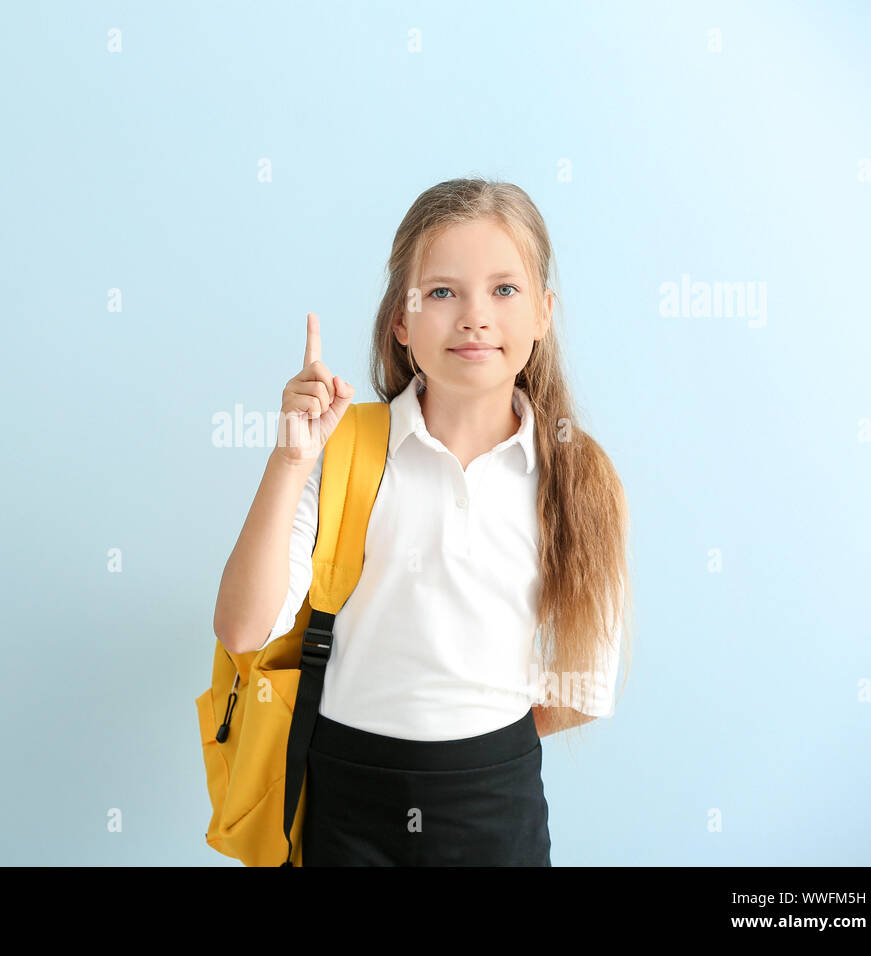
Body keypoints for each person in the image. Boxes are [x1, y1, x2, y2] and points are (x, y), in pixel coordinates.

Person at [212, 178, 634, 866]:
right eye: (442, 292)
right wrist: (290, 461)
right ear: (401, 323)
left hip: (496, 804)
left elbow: (583, 689)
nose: (475, 316)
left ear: (543, 314)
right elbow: (241, 628)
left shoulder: (578, 474)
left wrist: (471, 749)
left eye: (504, 290)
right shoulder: (342, 447)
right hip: (346, 797)